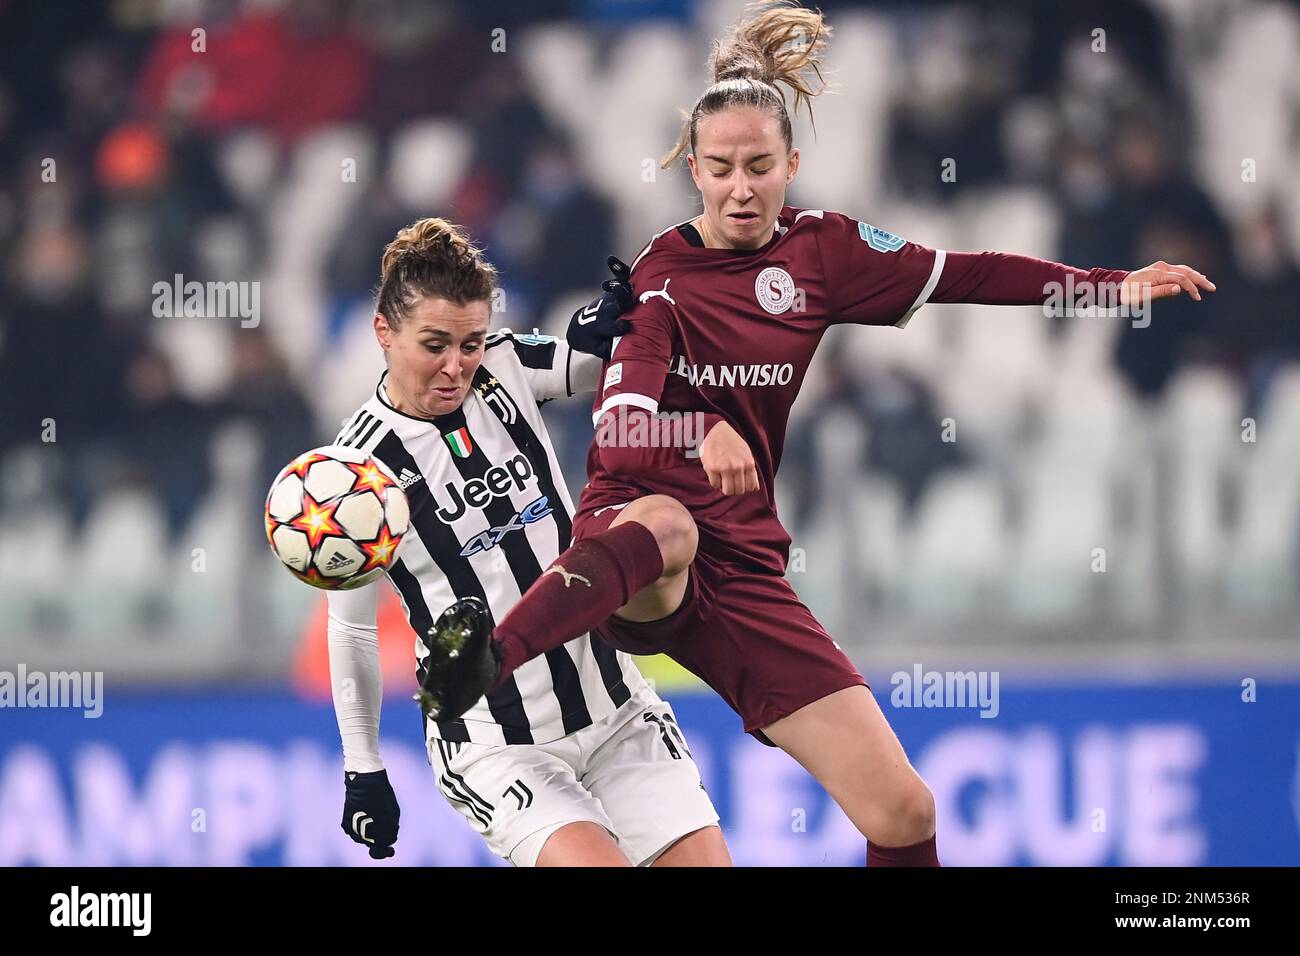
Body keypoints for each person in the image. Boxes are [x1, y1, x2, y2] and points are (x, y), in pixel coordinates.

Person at [419, 0, 1215, 867]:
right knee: (670, 523)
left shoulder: (824, 252)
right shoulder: (658, 277)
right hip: (633, 545)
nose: (741, 187)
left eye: (760, 166)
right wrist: (698, 435)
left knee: (903, 811)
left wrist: (1108, 287)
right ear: (694, 168)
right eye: (721, 168)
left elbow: (968, 274)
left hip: (745, 561)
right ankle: (490, 657)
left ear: (792, 164)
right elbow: (618, 428)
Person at [326, 217, 729, 867]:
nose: (457, 365)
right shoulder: (359, 474)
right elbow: (352, 631)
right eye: (435, 344)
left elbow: (601, 361)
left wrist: (626, 322)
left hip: (617, 708)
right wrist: (362, 767)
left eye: (470, 342)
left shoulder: (508, 365)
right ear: (384, 332)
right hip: (497, 744)